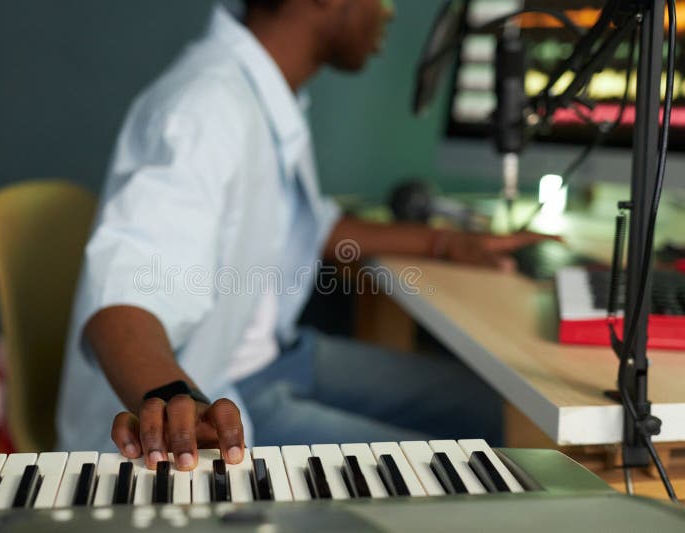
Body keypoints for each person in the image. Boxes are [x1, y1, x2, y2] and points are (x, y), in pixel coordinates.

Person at [56, 0, 546, 470]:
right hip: (210, 397)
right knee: (466, 474)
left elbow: (305, 224)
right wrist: (174, 400)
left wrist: (444, 243)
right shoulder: (204, 110)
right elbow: (125, 292)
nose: (389, 11)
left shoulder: (265, 89)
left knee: (490, 406)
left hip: (267, 358)